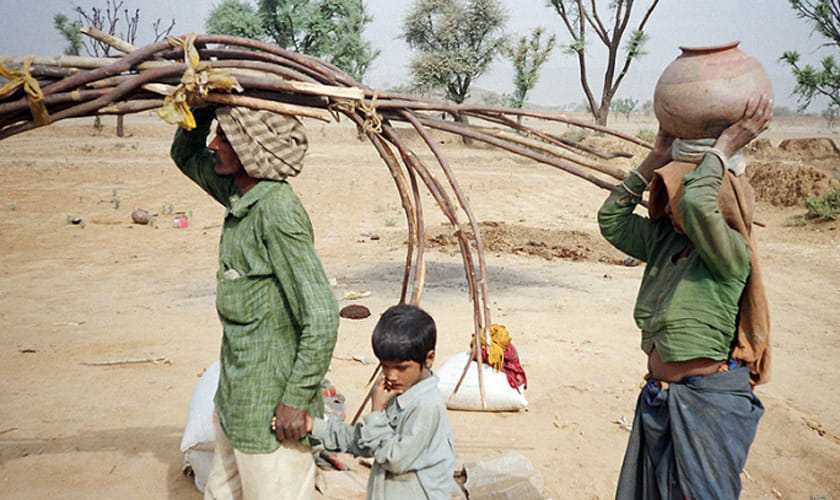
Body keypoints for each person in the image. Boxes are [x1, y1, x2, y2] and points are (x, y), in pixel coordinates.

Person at [597, 95, 773, 499]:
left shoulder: (729, 253)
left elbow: (696, 202)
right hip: (661, 399)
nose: (673, 207)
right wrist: (655, 156)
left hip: (706, 406)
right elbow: (611, 220)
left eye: (675, 197)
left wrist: (725, 147)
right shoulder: (663, 241)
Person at [171, 105, 339, 500]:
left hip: (271, 415)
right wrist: (202, 104)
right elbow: (184, 154)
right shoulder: (240, 193)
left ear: (252, 149)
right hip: (235, 405)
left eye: (225, 138)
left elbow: (322, 315)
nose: (213, 145)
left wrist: (296, 401)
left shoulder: (277, 211)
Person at [285, 303, 456, 500]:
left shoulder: (426, 406)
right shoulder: (401, 394)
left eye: (401, 368)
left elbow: (395, 459)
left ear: (429, 359)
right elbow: (367, 441)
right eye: (385, 366)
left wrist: (376, 413)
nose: (391, 375)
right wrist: (315, 426)